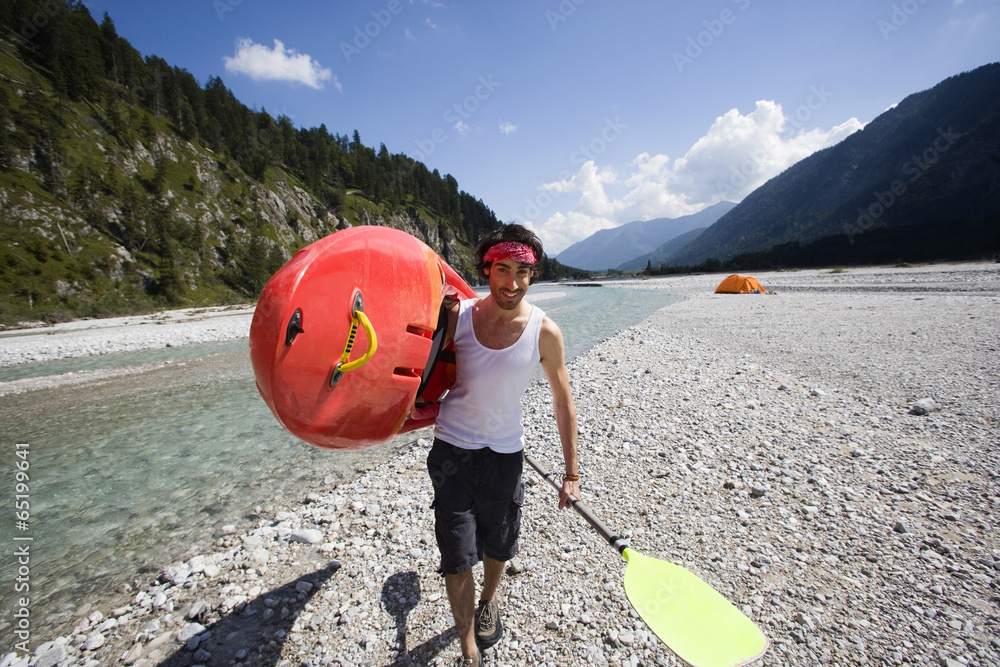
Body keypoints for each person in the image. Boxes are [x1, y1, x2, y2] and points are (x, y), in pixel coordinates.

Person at [426, 224, 580, 667]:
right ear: (486, 270)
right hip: (452, 452)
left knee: (498, 543)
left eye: (522, 272)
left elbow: (562, 401)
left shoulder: (545, 332)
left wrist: (571, 474)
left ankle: (488, 600)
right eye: (502, 270)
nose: (512, 283)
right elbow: (412, 360)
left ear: (533, 275)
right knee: (457, 555)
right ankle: (467, 644)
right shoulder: (458, 317)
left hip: (506, 456)